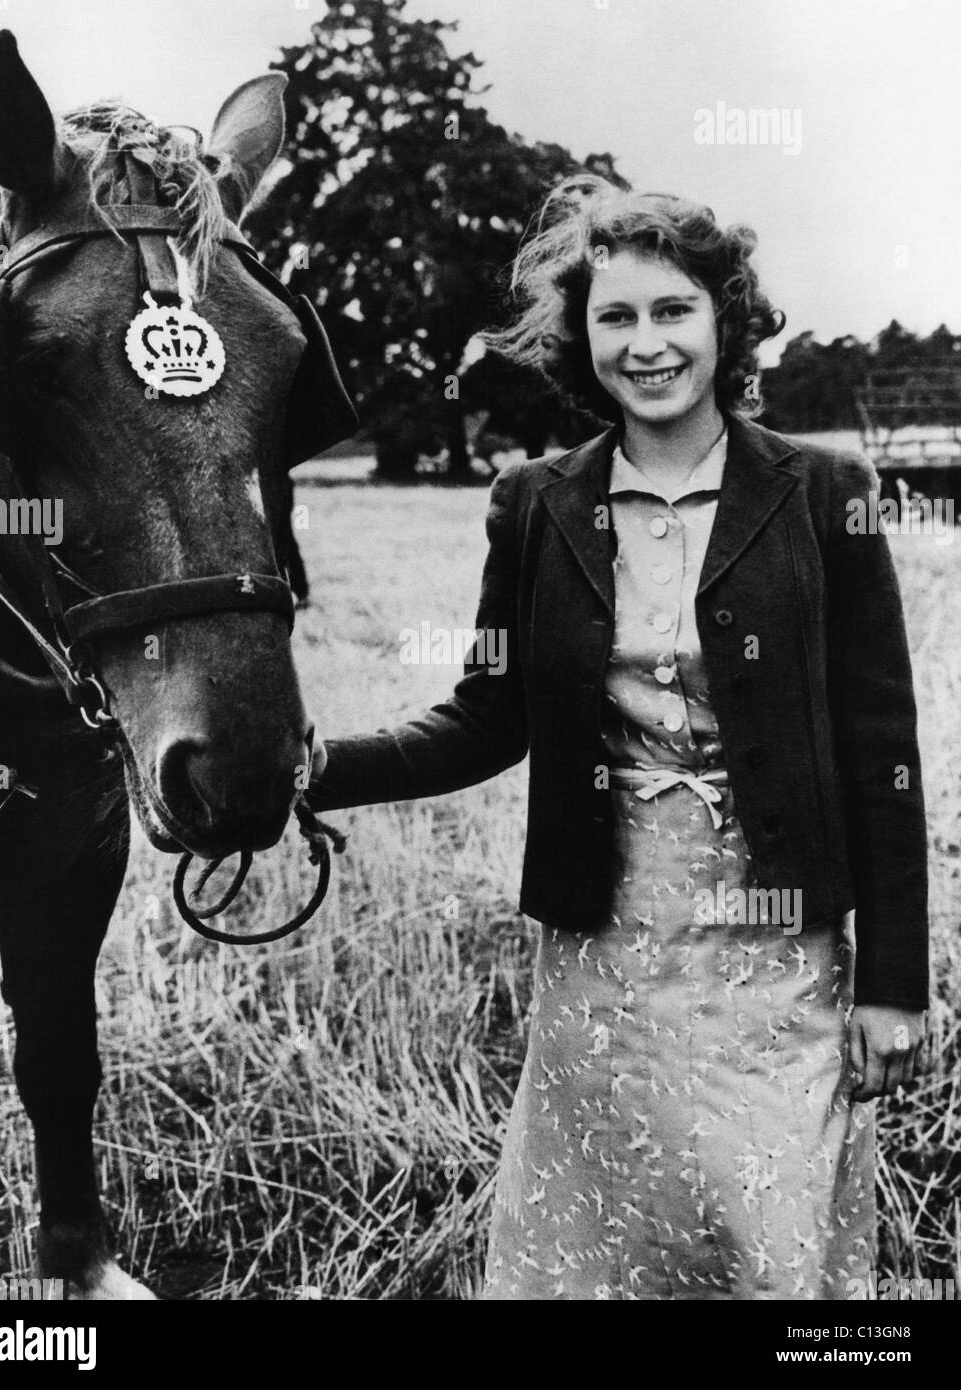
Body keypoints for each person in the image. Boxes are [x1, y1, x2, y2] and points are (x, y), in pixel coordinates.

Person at [307, 174, 928, 1300]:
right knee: (605, 1243)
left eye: (671, 311)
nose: (645, 344)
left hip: (775, 951)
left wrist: (892, 981)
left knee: (769, 1222)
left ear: (723, 321)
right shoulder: (536, 501)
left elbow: (880, 744)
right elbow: (485, 715)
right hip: (604, 949)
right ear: (581, 334)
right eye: (615, 316)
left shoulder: (824, 491)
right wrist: (317, 768)